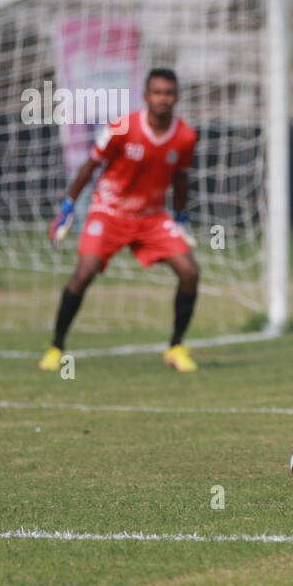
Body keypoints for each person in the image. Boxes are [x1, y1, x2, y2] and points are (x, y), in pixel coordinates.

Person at [40, 68, 200, 373]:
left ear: (176, 96)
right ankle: (56, 347)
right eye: (157, 92)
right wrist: (67, 208)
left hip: (151, 217)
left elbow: (180, 178)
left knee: (189, 271)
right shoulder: (122, 128)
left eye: (168, 93)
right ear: (146, 96)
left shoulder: (185, 136)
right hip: (109, 211)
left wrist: (181, 217)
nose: (163, 99)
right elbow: (91, 165)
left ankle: (176, 347)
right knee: (84, 271)